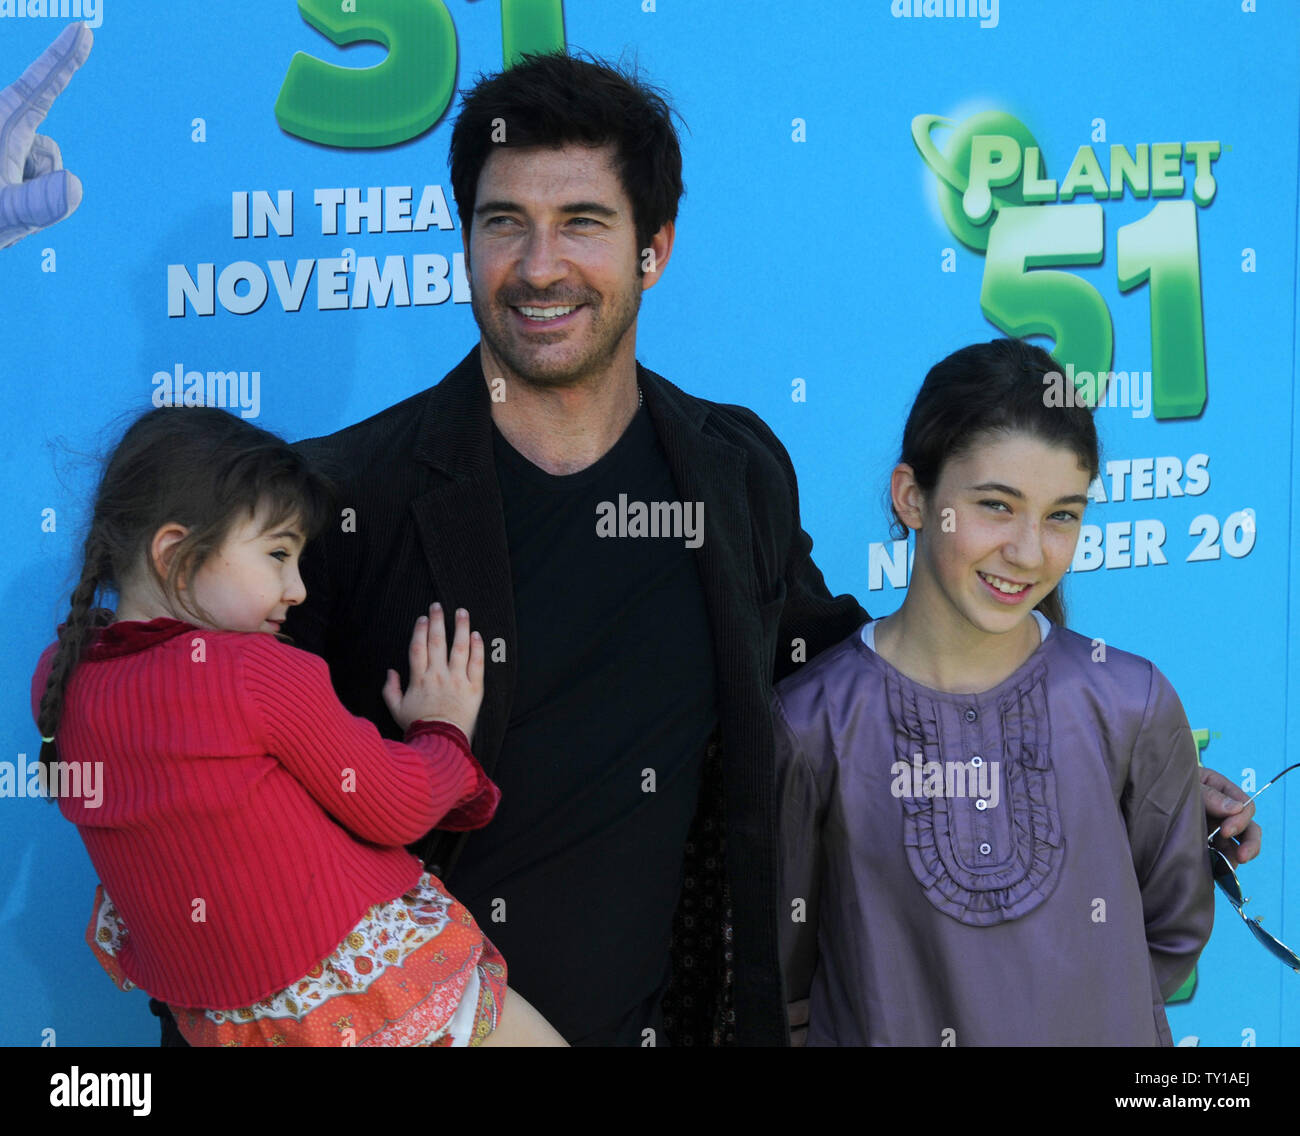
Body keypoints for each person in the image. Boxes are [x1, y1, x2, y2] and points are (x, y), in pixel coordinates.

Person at [148, 52, 1259, 1047]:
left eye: (582, 220)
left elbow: (841, 668)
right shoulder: (343, 497)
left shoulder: (731, 470)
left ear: (654, 249)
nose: (540, 266)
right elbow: (197, 787)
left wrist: (1114, 779)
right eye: (503, 223)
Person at [31, 407, 566, 1047]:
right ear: (174, 553)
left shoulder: (60, 676)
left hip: (237, 1027)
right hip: (360, 997)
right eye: (279, 555)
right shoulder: (256, 672)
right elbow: (396, 808)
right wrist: (443, 731)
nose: (298, 589)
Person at [775, 339, 1214, 1045]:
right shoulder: (810, 726)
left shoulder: (1131, 701)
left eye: (1063, 514)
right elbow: (785, 988)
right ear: (912, 496)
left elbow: (1169, 932)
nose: (1030, 550)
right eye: (996, 506)